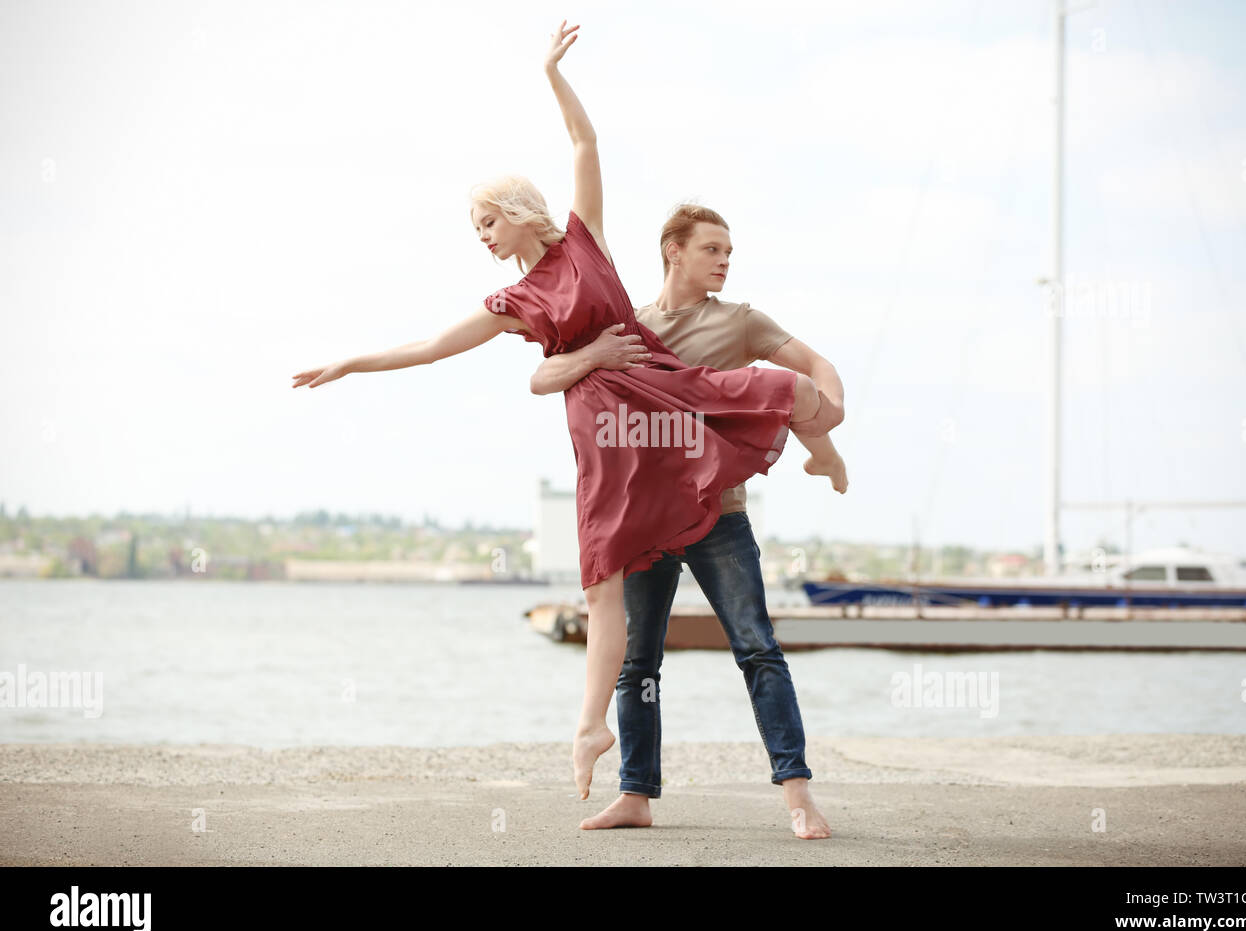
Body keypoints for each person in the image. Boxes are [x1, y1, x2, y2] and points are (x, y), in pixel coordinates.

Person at [291, 20, 845, 803]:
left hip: (660, 396)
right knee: (602, 591)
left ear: (518, 209)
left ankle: (829, 445)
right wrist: (352, 362)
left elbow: (585, 143)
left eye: (487, 221)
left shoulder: (587, 244)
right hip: (605, 435)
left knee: (781, 394)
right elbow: (436, 347)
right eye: (475, 228)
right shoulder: (514, 303)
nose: (482, 238)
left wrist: (551, 73)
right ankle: (592, 730)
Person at [529, 203, 844, 839]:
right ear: (674, 250)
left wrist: (827, 422)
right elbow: (545, 377)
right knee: (637, 665)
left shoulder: (741, 322)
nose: (725, 260)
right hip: (645, 524)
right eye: (712, 249)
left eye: (728, 251)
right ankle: (635, 796)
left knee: (758, 650)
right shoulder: (628, 326)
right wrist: (592, 354)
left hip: (719, 516)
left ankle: (799, 798)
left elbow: (815, 366)